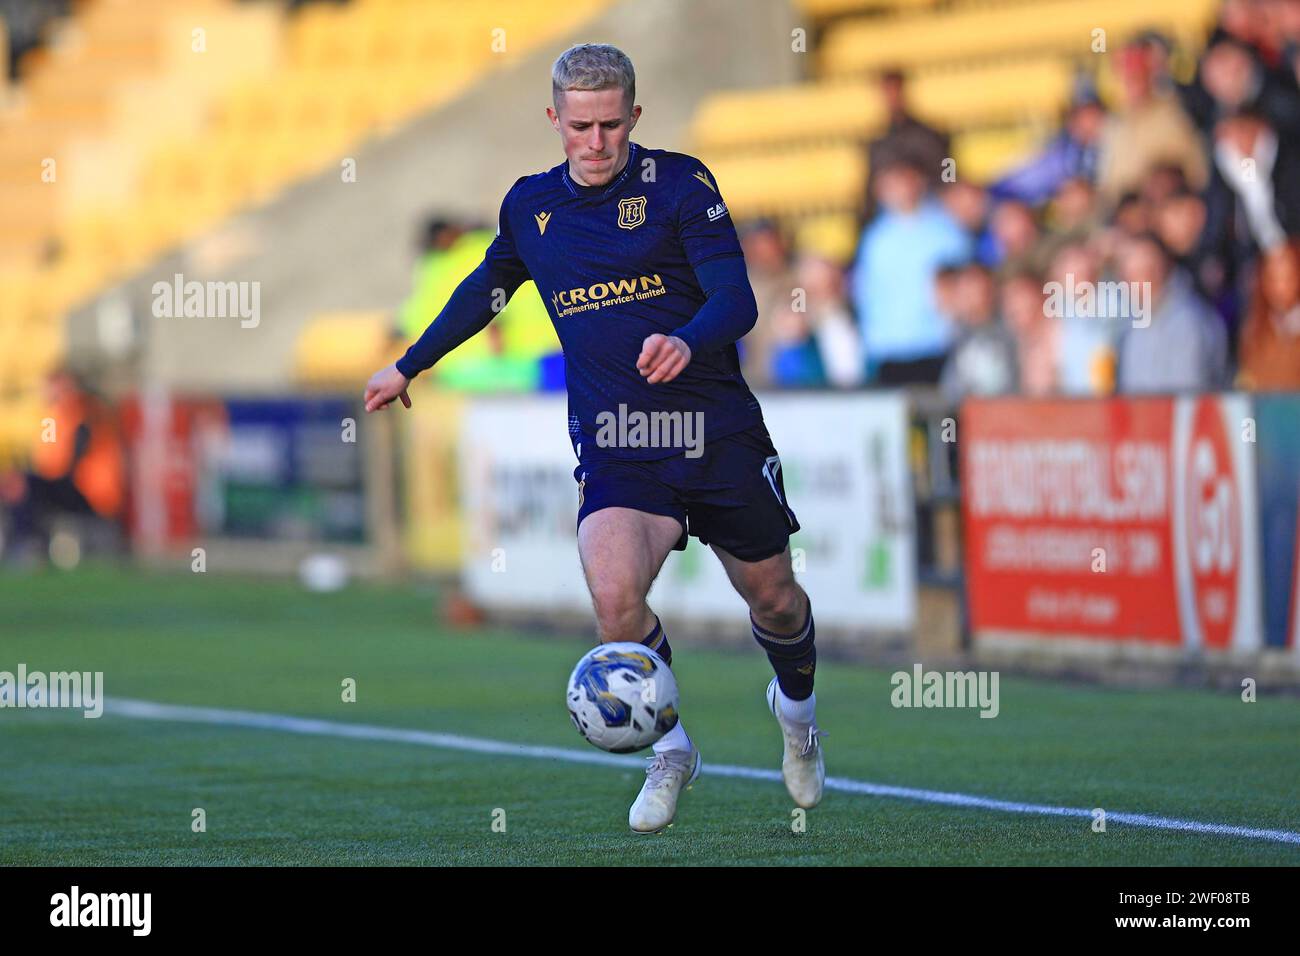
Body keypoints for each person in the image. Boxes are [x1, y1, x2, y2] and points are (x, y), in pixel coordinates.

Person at [363, 43, 824, 833]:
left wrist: (686, 338)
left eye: (612, 124)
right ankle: (671, 748)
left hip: (715, 434)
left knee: (776, 600)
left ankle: (797, 714)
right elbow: (488, 288)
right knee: (613, 596)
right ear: (555, 121)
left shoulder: (682, 183)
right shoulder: (530, 206)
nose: (597, 141)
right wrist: (411, 364)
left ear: (635, 117)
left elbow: (736, 299)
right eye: (581, 126)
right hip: (618, 442)